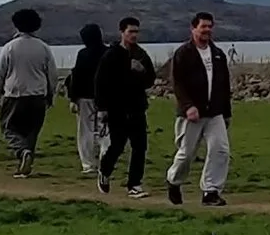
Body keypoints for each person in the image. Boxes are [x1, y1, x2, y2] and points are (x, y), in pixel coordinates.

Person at [164, 12, 234, 207]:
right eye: (203, 26)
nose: (207, 30)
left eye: (210, 26)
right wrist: (188, 106)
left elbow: (224, 85)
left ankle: (211, 191)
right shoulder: (183, 53)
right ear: (193, 28)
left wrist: (226, 112)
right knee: (186, 153)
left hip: (214, 113)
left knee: (220, 150)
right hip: (192, 114)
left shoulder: (218, 54)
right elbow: (177, 83)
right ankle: (173, 181)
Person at [0, 8, 59, 178]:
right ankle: (26, 161)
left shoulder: (9, 48)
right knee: (32, 131)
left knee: (8, 128)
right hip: (38, 95)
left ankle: (22, 153)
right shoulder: (44, 48)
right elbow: (52, 74)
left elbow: (1, 74)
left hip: (14, 94)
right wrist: (51, 95)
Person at [94, 17, 157, 196]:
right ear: (122, 32)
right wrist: (102, 108)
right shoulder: (111, 55)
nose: (134, 35)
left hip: (137, 107)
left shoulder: (141, 55)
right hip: (117, 108)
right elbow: (100, 82)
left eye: (136, 31)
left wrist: (141, 70)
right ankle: (104, 171)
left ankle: (134, 184)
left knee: (140, 146)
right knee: (118, 145)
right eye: (131, 31)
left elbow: (150, 79)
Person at [69, 23, 108, 176]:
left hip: (85, 98)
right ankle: (105, 161)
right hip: (106, 98)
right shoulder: (109, 52)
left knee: (85, 131)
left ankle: (88, 164)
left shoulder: (83, 54)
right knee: (106, 131)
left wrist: (73, 98)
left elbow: (76, 77)